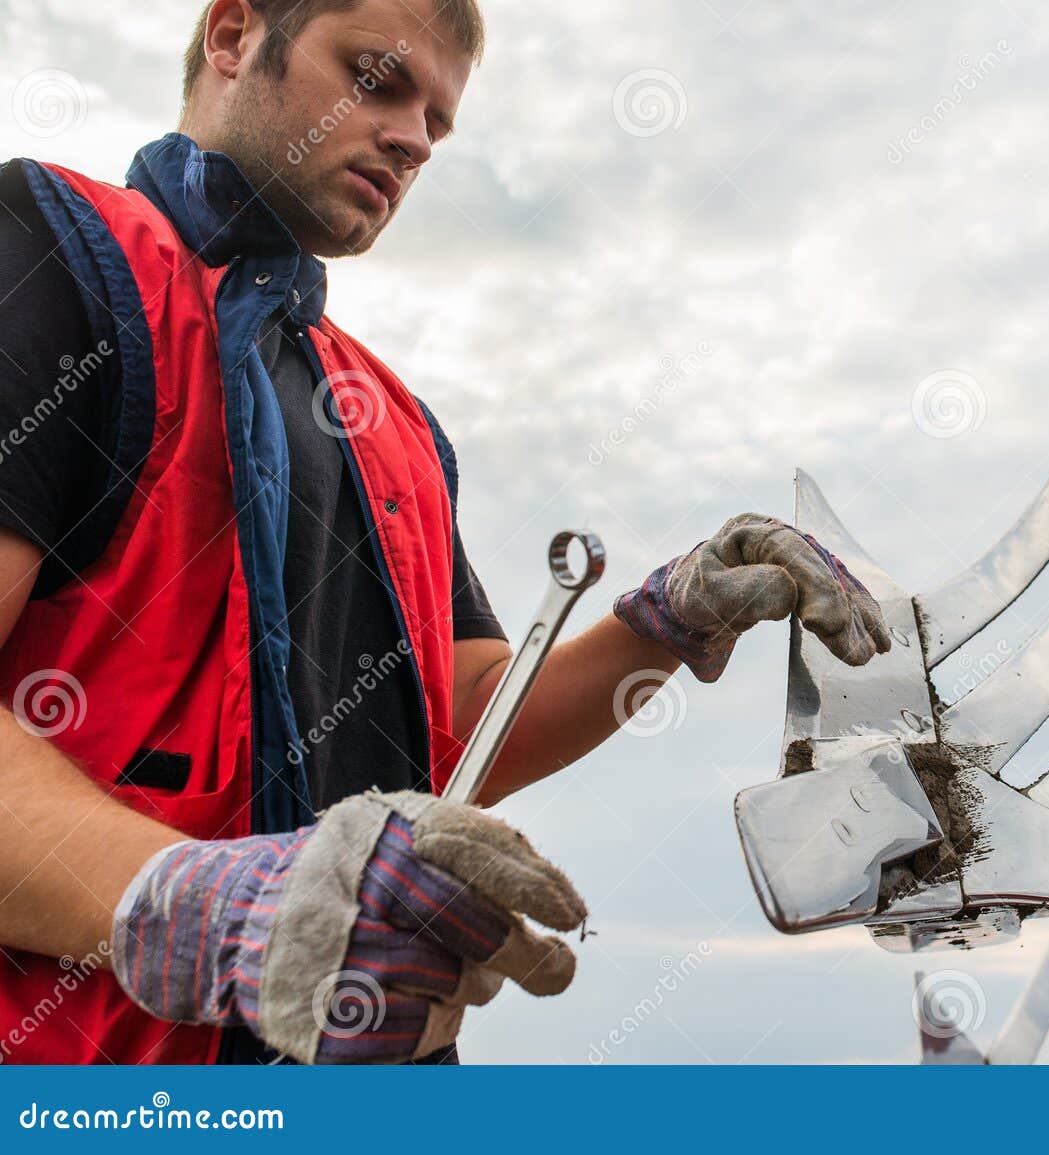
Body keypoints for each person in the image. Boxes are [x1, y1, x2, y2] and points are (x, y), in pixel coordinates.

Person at [0, 0, 889, 1065]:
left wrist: (666, 620)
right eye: (375, 79)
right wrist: (199, 902)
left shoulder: (393, 422)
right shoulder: (52, 252)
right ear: (234, 37)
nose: (415, 138)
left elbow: (467, 723)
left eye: (437, 119)